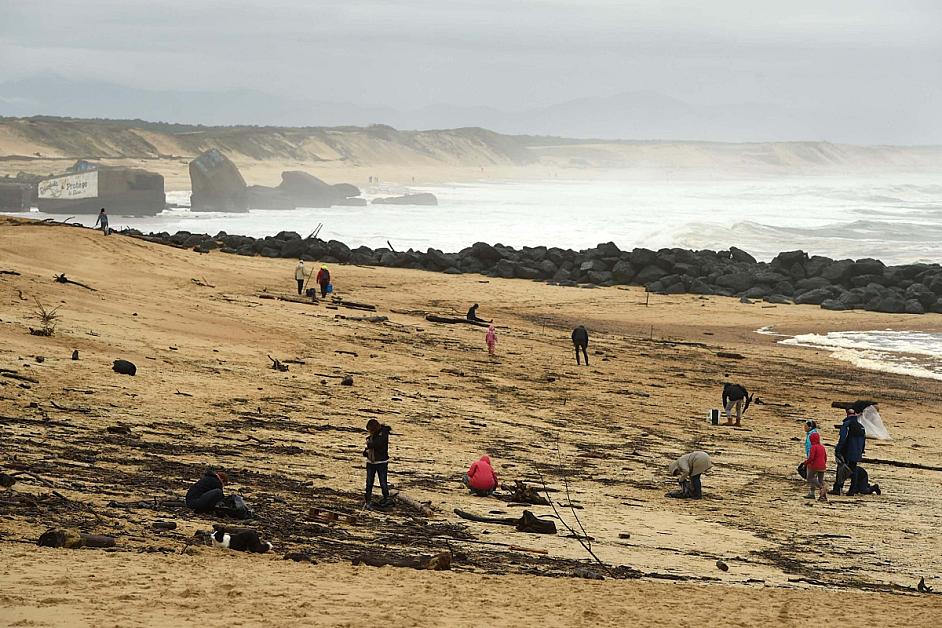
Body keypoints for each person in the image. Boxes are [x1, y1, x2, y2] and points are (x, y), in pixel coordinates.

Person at [832, 408, 867, 495]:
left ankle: (838, 488)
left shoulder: (847, 425)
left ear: (847, 413)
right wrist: (861, 451)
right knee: (853, 469)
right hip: (857, 453)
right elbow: (864, 441)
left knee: (841, 469)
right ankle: (852, 490)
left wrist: (838, 449)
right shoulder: (861, 427)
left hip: (847, 452)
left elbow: (842, 439)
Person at [363, 419, 391, 509]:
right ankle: (367, 500)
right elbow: (369, 448)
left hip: (381, 462)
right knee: (369, 482)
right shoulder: (373, 436)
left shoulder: (383, 434)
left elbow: (377, 445)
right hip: (371, 462)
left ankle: (386, 499)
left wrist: (369, 444)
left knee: (383, 482)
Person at [804, 431, 828, 502]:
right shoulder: (822, 447)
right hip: (822, 466)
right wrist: (824, 464)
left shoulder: (813, 447)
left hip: (815, 466)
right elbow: (825, 457)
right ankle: (823, 495)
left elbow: (811, 458)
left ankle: (821, 488)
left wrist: (805, 463)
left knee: (810, 477)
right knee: (820, 480)